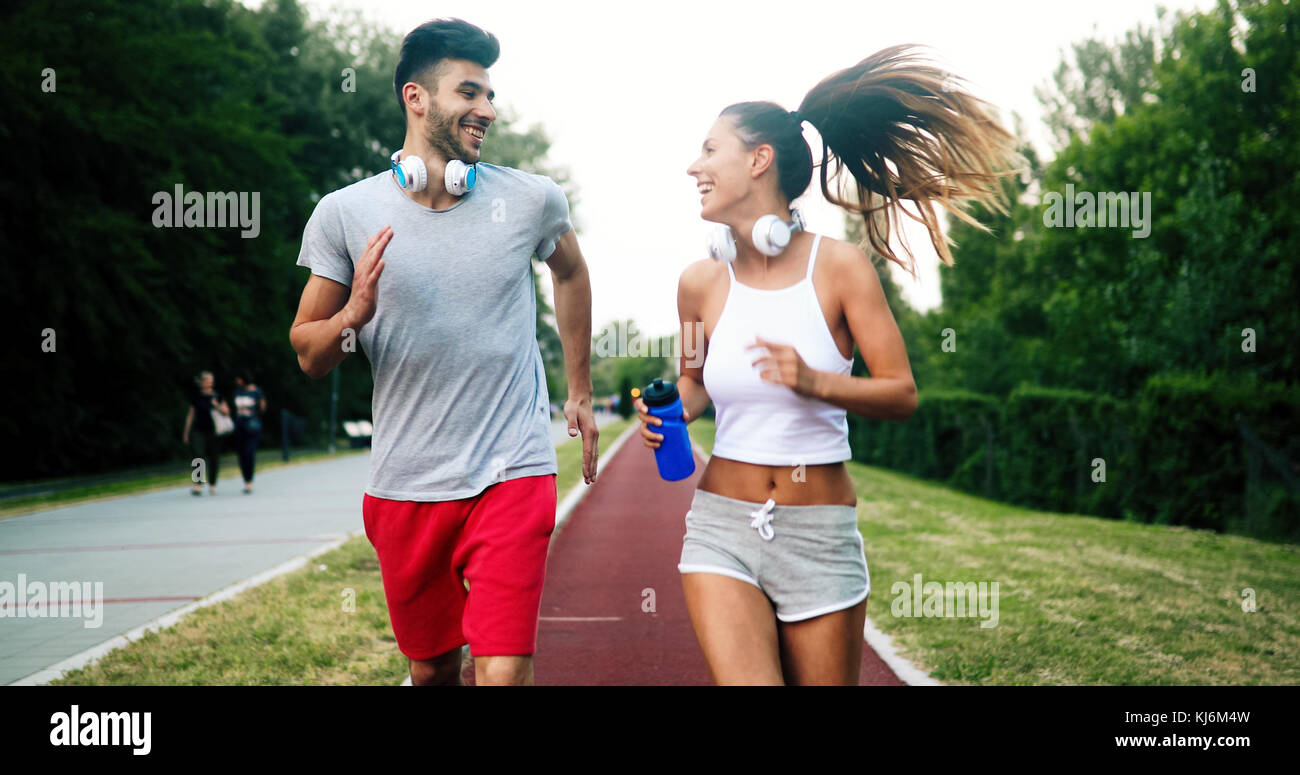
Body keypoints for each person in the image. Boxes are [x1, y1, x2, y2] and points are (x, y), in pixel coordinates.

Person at [637, 45, 1020, 685]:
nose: (692, 167)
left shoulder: (839, 268)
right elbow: (694, 382)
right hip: (721, 528)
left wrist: (815, 382)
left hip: (820, 534)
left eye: (709, 150)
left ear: (758, 160)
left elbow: (901, 394)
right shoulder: (699, 283)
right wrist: (668, 411)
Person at [289, 18, 597, 687]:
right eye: (469, 92)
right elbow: (309, 352)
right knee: (431, 672)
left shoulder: (530, 200)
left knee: (505, 667)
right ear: (416, 98)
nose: (487, 109)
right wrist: (353, 315)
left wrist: (579, 389)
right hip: (406, 482)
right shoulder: (345, 213)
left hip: (512, 466)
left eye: (489, 94)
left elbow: (570, 272)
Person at [183, 370, 231, 496]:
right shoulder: (197, 397)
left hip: (215, 431)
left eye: (211, 380)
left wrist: (217, 406)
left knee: (214, 457)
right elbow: (191, 415)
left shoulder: (217, 396)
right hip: (199, 430)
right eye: (208, 380)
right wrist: (186, 432)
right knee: (198, 455)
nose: (210, 383)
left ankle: (213, 484)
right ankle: (198, 484)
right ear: (202, 382)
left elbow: (227, 412)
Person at [232, 371, 267, 494]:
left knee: (249, 452)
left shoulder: (256, 391)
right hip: (240, 426)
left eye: (239, 378)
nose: (237, 381)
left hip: (252, 426)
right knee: (241, 454)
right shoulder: (238, 391)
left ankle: (249, 481)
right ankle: (245, 479)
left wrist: (258, 404)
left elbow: (263, 407)